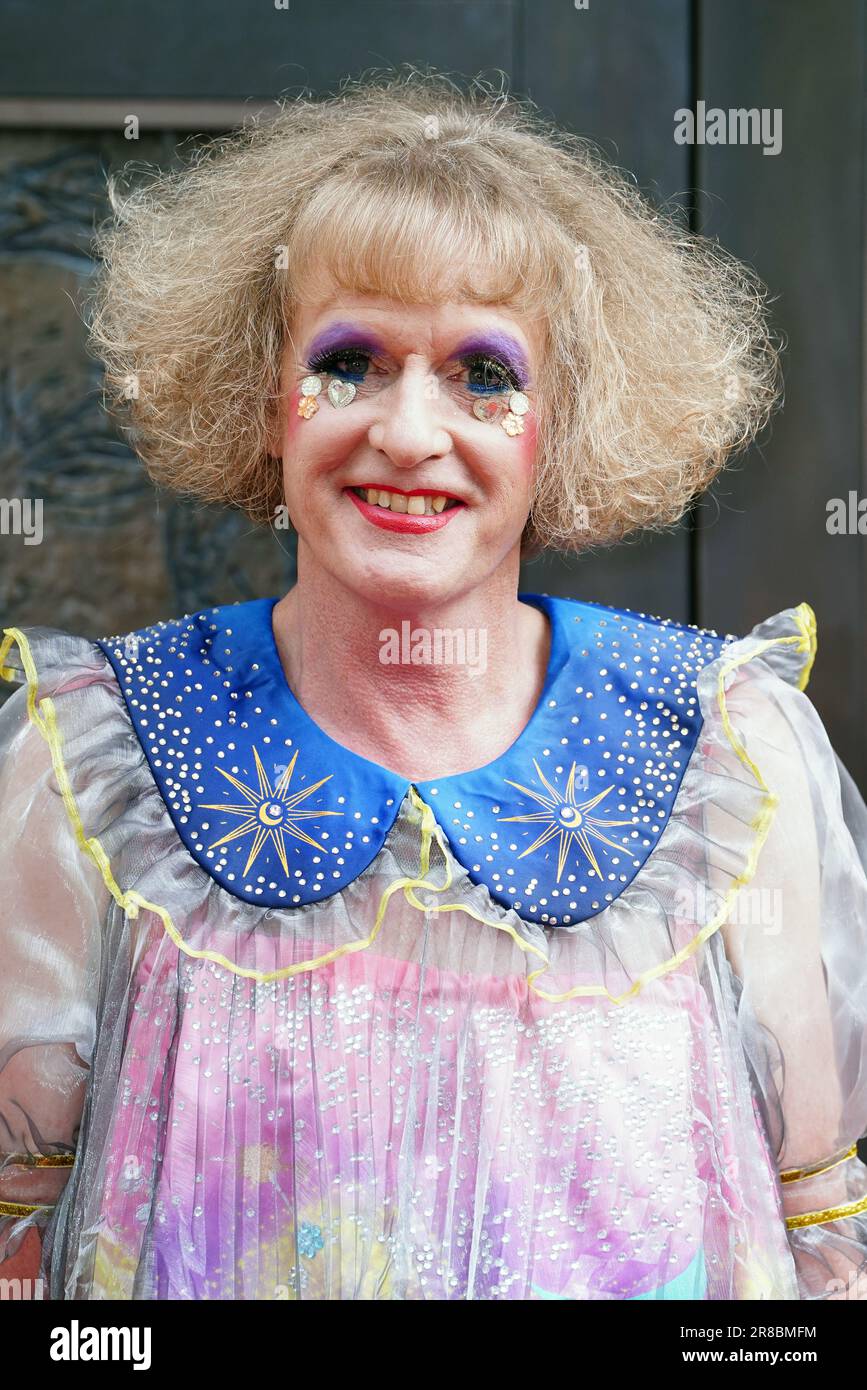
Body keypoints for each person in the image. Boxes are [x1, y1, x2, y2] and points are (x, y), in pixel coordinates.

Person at [1, 69, 866, 1301]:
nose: (410, 432)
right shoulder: (92, 763)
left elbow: (824, 1228)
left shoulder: (731, 754)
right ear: (264, 396)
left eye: (485, 375)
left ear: (563, 419)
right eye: (349, 362)